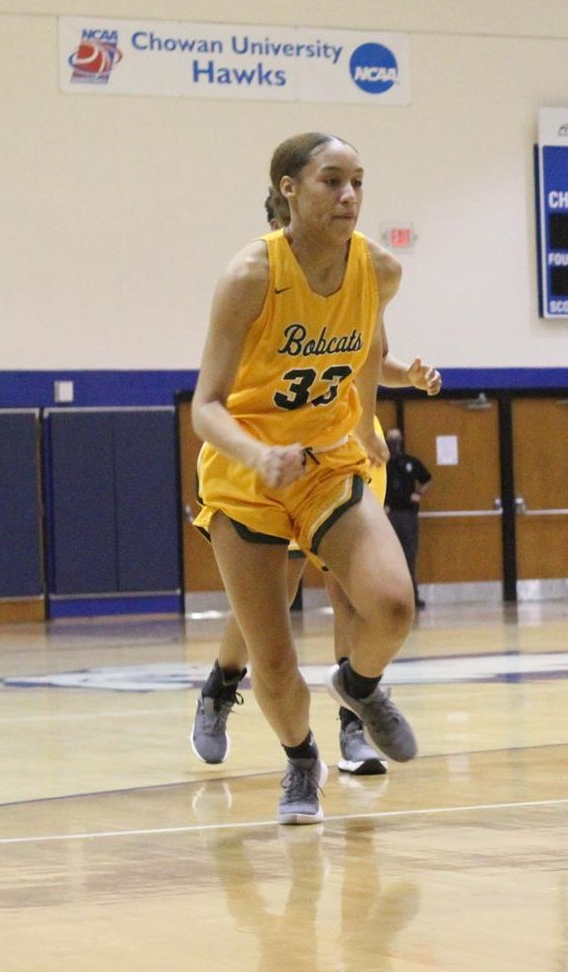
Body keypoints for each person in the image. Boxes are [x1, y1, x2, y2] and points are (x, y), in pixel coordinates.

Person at [191, 132, 422, 822]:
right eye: (331, 181)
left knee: (392, 606)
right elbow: (205, 406)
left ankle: (359, 683)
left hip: (326, 464)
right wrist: (257, 454)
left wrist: (366, 429)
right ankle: (300, 759)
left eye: (357, 182)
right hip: (247, 474)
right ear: (289, 188)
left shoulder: (379, 270)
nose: (348, 195)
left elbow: (367, 360)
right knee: (274, 659)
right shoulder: (250, 275)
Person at [383, 427, 433, 607]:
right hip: (388, 515)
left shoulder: (410, 462)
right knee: (387, 557)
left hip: (408, 515)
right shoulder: (381, 463)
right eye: (390, 439)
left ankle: (412, 596)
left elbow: (427, 478)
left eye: (396, 439)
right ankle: (389, 599)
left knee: (409, 556)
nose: (393, 442)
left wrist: (419, 493)